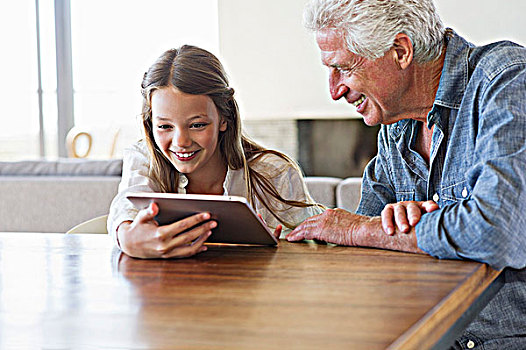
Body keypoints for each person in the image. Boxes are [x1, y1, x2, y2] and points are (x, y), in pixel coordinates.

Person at [286, 0, 526, 348]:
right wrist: (379, 232)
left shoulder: (506, 82)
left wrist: (365, 230)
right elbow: (366, 247)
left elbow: (496, 232)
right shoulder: (395, 125)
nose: (334, 90)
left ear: (400, 50)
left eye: (344, 68)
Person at [108, 45, 322, 259]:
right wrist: (126, 236)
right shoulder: (145, 158)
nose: (180, 142)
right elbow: (124, 209)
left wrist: (280, 251)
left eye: (197, 125)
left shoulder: (273, 173)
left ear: (224, 118)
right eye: (165, 127)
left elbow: (308, 251)